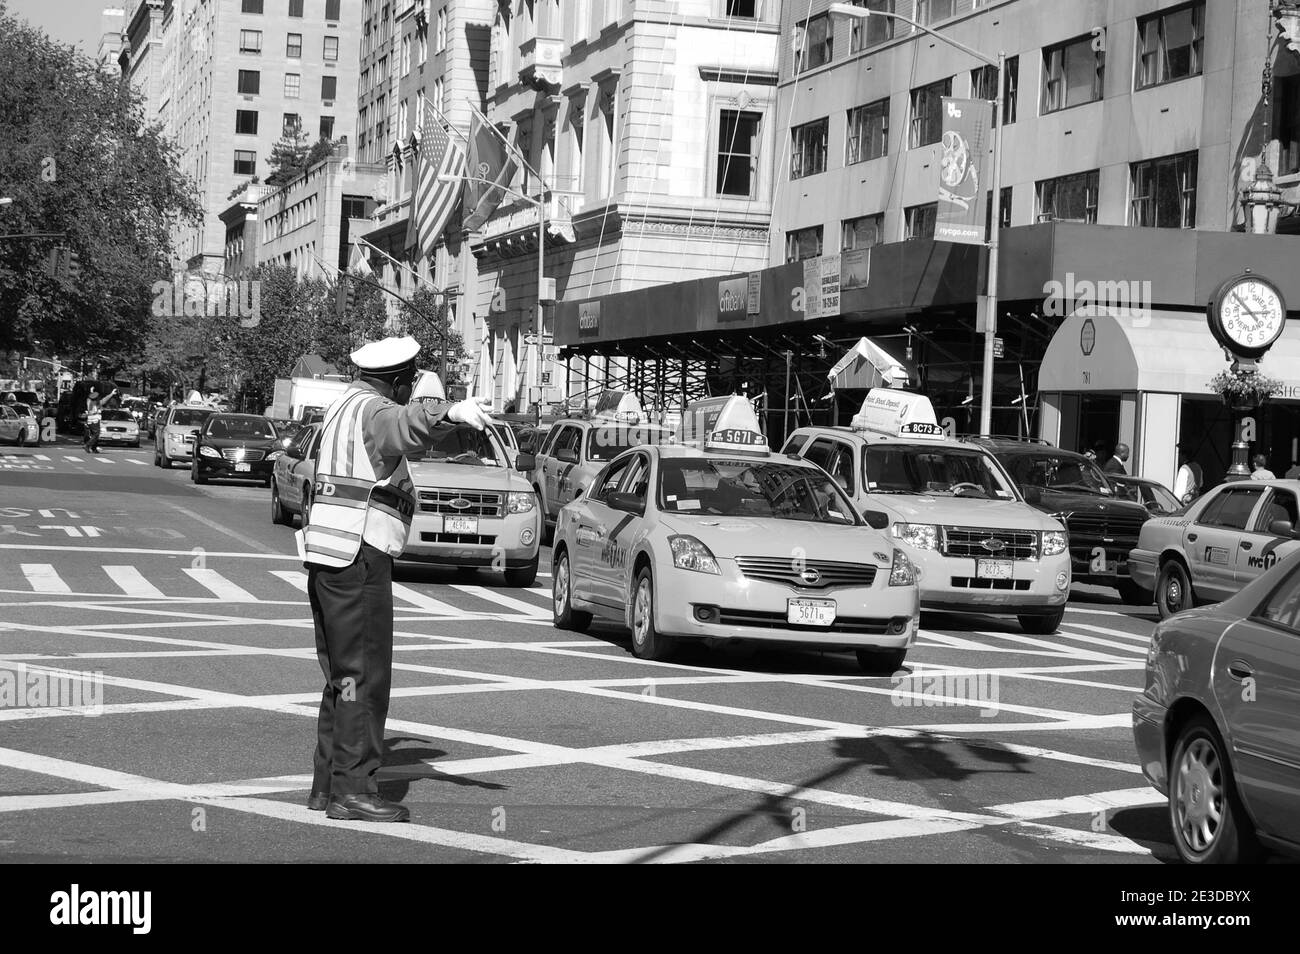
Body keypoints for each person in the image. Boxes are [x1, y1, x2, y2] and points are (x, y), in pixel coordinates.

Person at [300, 336, 491, 823]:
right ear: (399, 380)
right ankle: (354, 791)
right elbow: (403, 426)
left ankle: (327, 785)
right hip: (358, 558)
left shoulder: (342, 403)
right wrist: (448, 412)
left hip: (328, 555)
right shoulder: (377, 411)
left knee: (341, 677)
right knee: (365, 678)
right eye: (408, 384)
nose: (410, 393)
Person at [83, 389, 101, 453]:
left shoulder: (90, 401)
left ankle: (94, 448)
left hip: (92, 420)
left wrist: (91, 392)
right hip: (94, 420)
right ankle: (87, 445)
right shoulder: (92, 404)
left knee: (94, 435)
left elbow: (90, 397)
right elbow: (91, 412)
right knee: (96, 434)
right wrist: (96, 412)